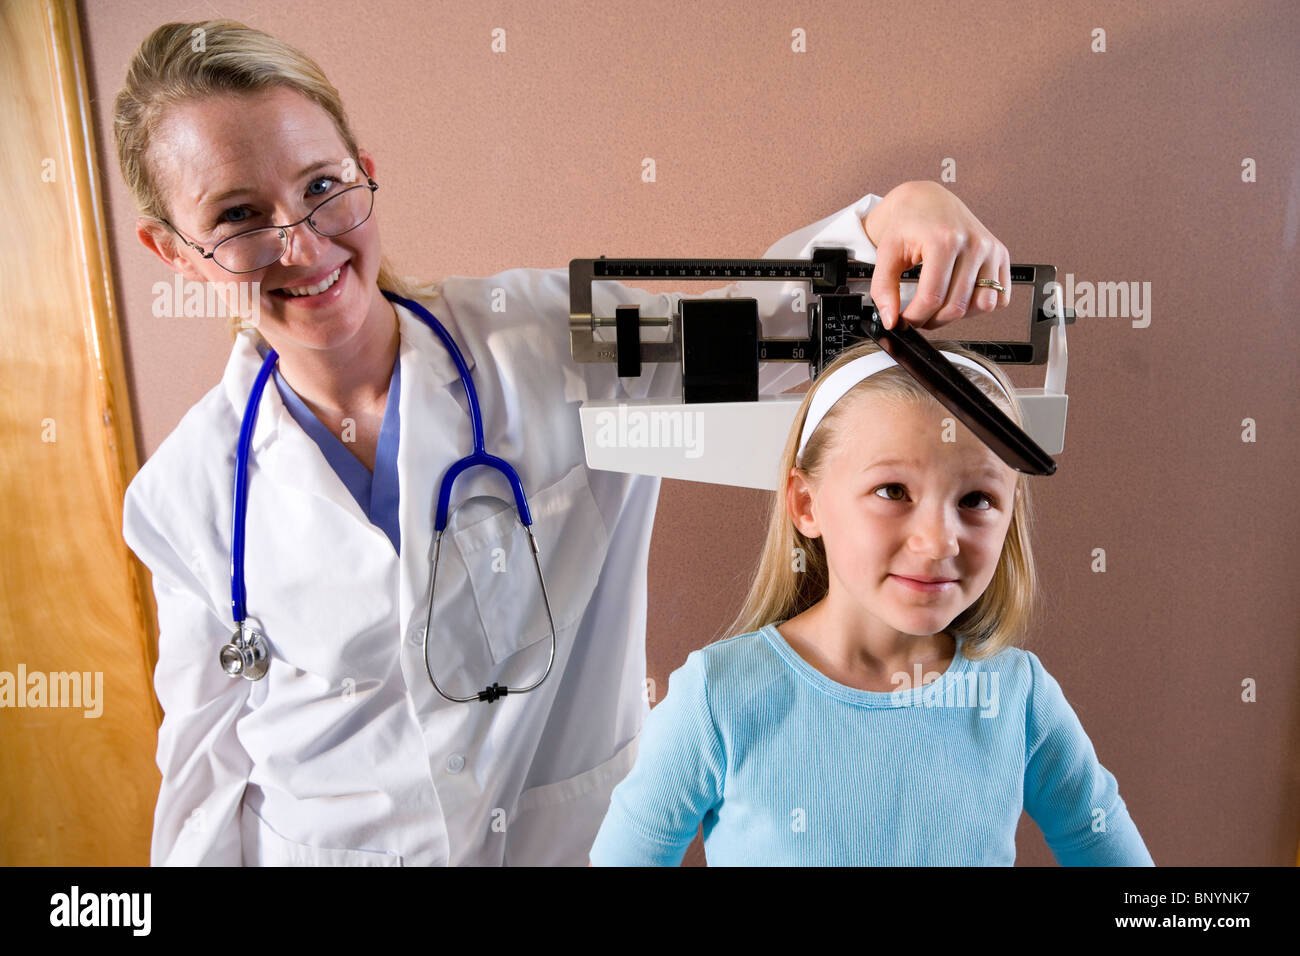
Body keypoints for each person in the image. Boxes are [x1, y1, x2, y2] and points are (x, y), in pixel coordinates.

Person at [116, 19, 1016, 866]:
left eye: (321, 188)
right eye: (238, 217)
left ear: (365, 172)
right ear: (175, 252)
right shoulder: (185, 495)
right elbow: (204, 776)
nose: (302, 244)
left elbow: (756, 338)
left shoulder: (545, 339)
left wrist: (901, 214)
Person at [589, 339, 1155, 865]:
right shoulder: (716, 699)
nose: (937, 542)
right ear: (806, 503)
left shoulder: (1017, 698)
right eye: (893, 491)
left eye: (977, 499)